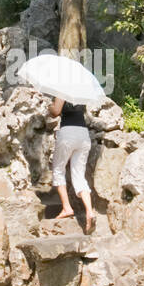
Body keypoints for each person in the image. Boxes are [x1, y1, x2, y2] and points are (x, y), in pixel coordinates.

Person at [50, 95, 95, 233]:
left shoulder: (63, 88)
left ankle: (67, 207)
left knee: (58, 170)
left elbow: (56, 111)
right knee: (79, 176)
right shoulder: (80, 90)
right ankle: (89, 211)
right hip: (83, 134)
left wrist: (49, 107)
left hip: (68, 132)